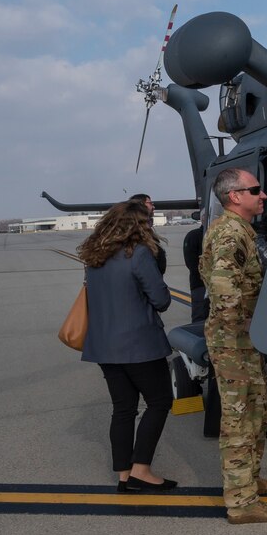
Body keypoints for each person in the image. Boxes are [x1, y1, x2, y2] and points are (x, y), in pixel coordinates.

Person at [200, 168, 267, 524]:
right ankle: (241, 502)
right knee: (239, 418)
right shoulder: (229, 233)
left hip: (243, 339)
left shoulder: (239, 230)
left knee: (256, 412)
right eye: (255, 190)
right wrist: (247, 323)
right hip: (234, 339)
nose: (263, 195)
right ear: (235, 196)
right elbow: (223, 287)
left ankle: (248, 479)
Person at [77, 201, 177, 492]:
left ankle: (124, 475)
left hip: (104, 346)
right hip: (139, 345)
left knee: (123, 409)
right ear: (138, 225)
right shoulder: (140, 254)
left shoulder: (94, 257)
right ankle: (141, 470)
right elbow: (161, 300)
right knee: (159, 402)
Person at [128, 193, 166, 274]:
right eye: (150, 203)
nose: (153, 207)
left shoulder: (149, 234)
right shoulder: (134, 234)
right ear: (140, 205)